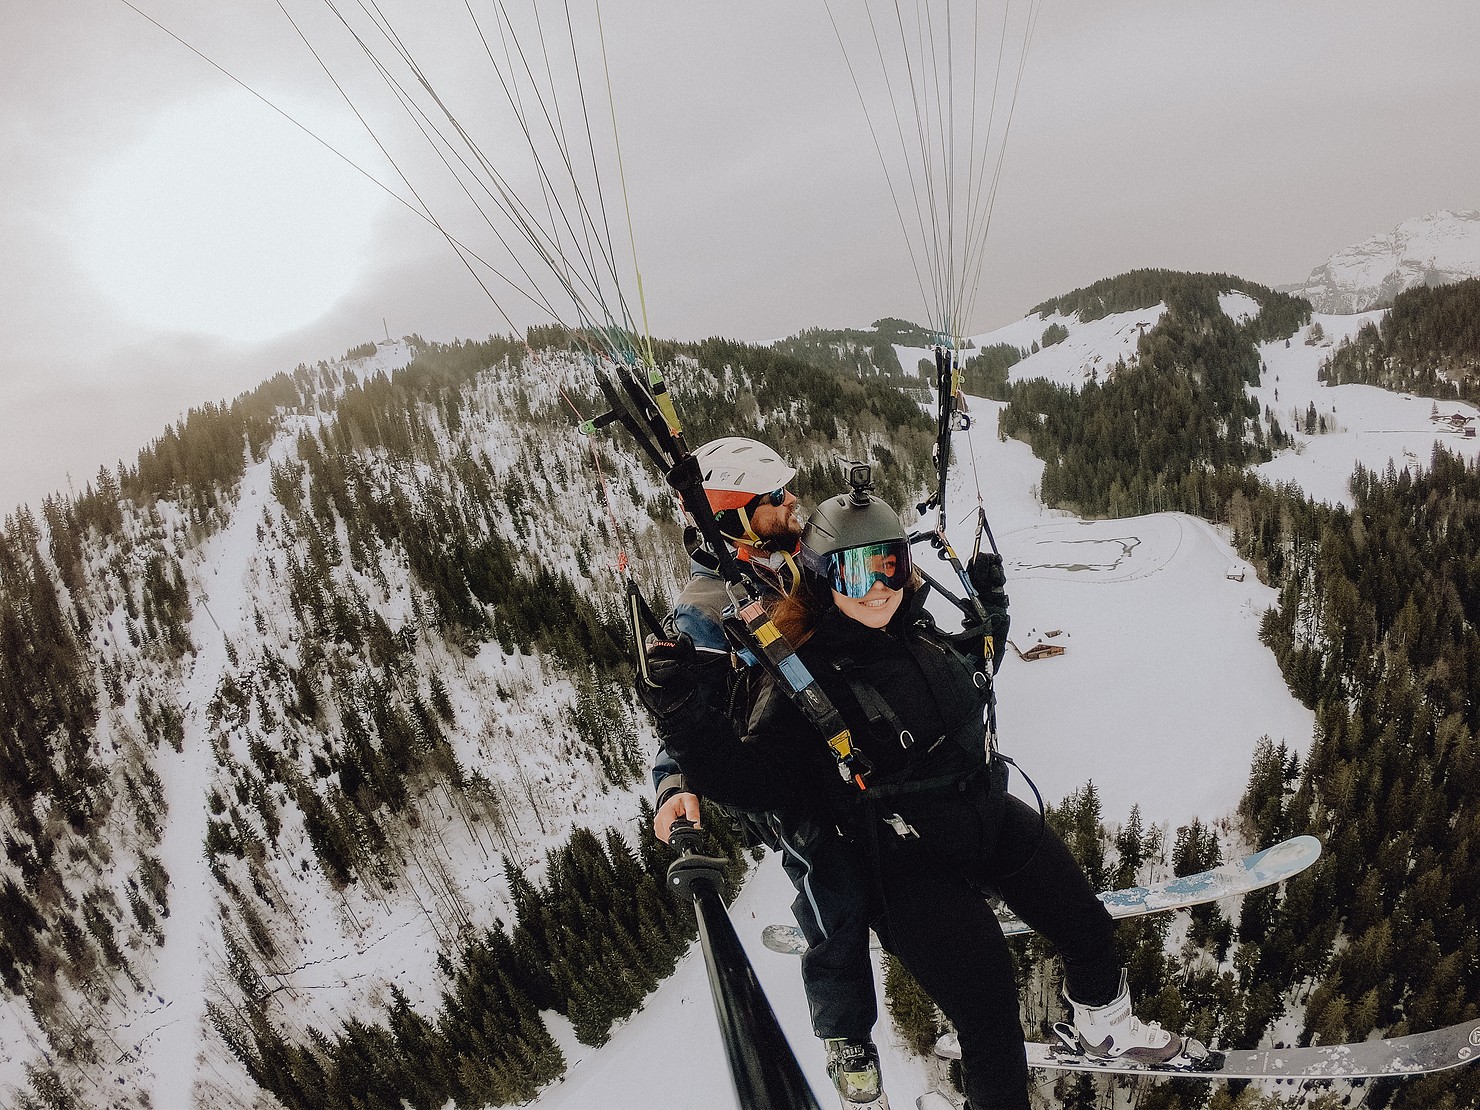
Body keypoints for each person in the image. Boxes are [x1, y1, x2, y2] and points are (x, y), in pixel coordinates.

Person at [649, 467, 1181, 1110]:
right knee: (992, 1021)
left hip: (983, 814)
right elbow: (752, 779)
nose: (878, 590)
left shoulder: (920, 632)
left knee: (1088, 927)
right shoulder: (806, 683)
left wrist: (996, 602)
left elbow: (974, 669)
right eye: (854, 574)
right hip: (908, 868)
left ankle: (1102, 1019)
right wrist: (683, 718)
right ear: (821, 577)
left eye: (890, 569)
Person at [642, 437, 887, 1107]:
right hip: (775, 767)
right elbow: (682, 710)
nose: (793, 501)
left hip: (835, 739)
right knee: (828, 879)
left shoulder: (784, 563)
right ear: (735, 517)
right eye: (776, 498)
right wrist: (675, 785)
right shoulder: (703, 610)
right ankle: (847, 1040)